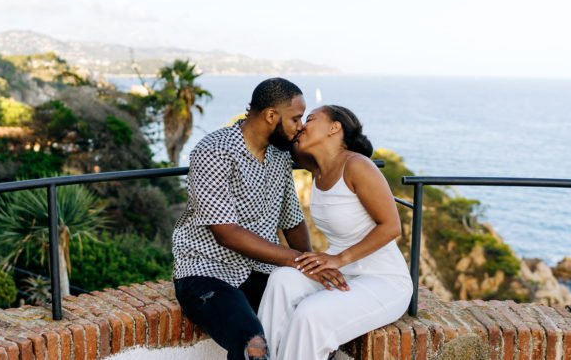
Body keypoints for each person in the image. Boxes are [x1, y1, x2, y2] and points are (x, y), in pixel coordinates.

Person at [171, 78, 346, 360]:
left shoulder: (279, 157)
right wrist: (299, 261)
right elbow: (226, 233)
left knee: (316, 328)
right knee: (253, 346)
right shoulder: (214, 151)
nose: (300, 126)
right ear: (271, 116)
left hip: (262, 271)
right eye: (296, 118)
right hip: (207, 272)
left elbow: (292, 220)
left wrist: (311, 267)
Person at [257, 105, 413, 360]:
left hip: (382, 279)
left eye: (310, 119)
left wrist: (339, 259)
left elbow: (391, 226)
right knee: (281, 280)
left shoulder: (357, 165)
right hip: (341, 272)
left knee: (310, 314)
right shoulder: (316, 168)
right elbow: (280, 140)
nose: (302, 125)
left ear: (334, 127)